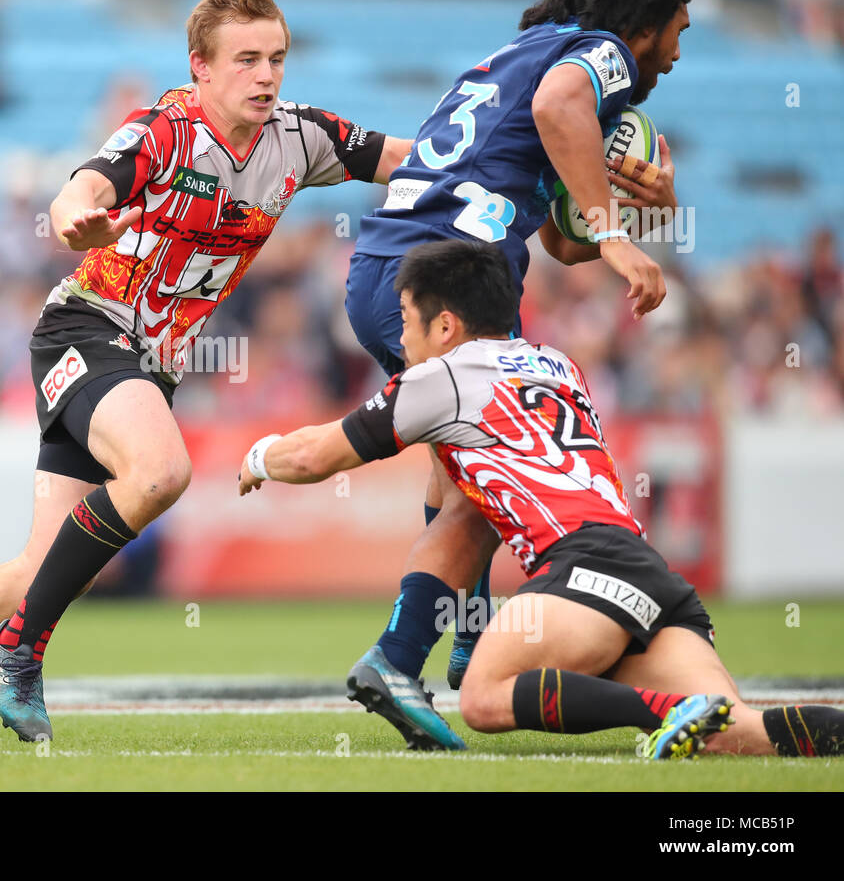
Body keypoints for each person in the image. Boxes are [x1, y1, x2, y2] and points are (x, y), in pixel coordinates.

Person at [0, 0, 413, 743]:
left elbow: (414, 161)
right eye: (245, 60)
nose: (266, 76)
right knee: (160, 471)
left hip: (144, 365)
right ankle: (18, 650)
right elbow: (84, 186)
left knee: (40, 568)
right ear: (200, 67)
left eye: (276, 59)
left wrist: (521, 163)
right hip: (86, 330)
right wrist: (77, 219)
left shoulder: (303, 138)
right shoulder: (164, 131)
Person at [239, 239, 844, 759]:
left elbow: (317, 455)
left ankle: (662, 712)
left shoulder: (443, 377)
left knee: (481, 695)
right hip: (653, 578)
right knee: (733, 727)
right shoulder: (558, 363)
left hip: (584, 571)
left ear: (445, 325)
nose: (399, 333)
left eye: (405, 316)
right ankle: (688, 712)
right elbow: (470, 486)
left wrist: (259, 456)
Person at [339, 0, 691, 748]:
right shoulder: (595, 56)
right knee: (492, 476)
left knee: (471, 474)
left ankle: (463, 640)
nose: (677, 51)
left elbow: (556, 239)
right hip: (437, 288)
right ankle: (402, 657)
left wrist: (625, 213)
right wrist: (613, 232)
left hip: (401, 272)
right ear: (647, 15)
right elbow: (559, 109)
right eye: (679, 25)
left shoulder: (523, 51)